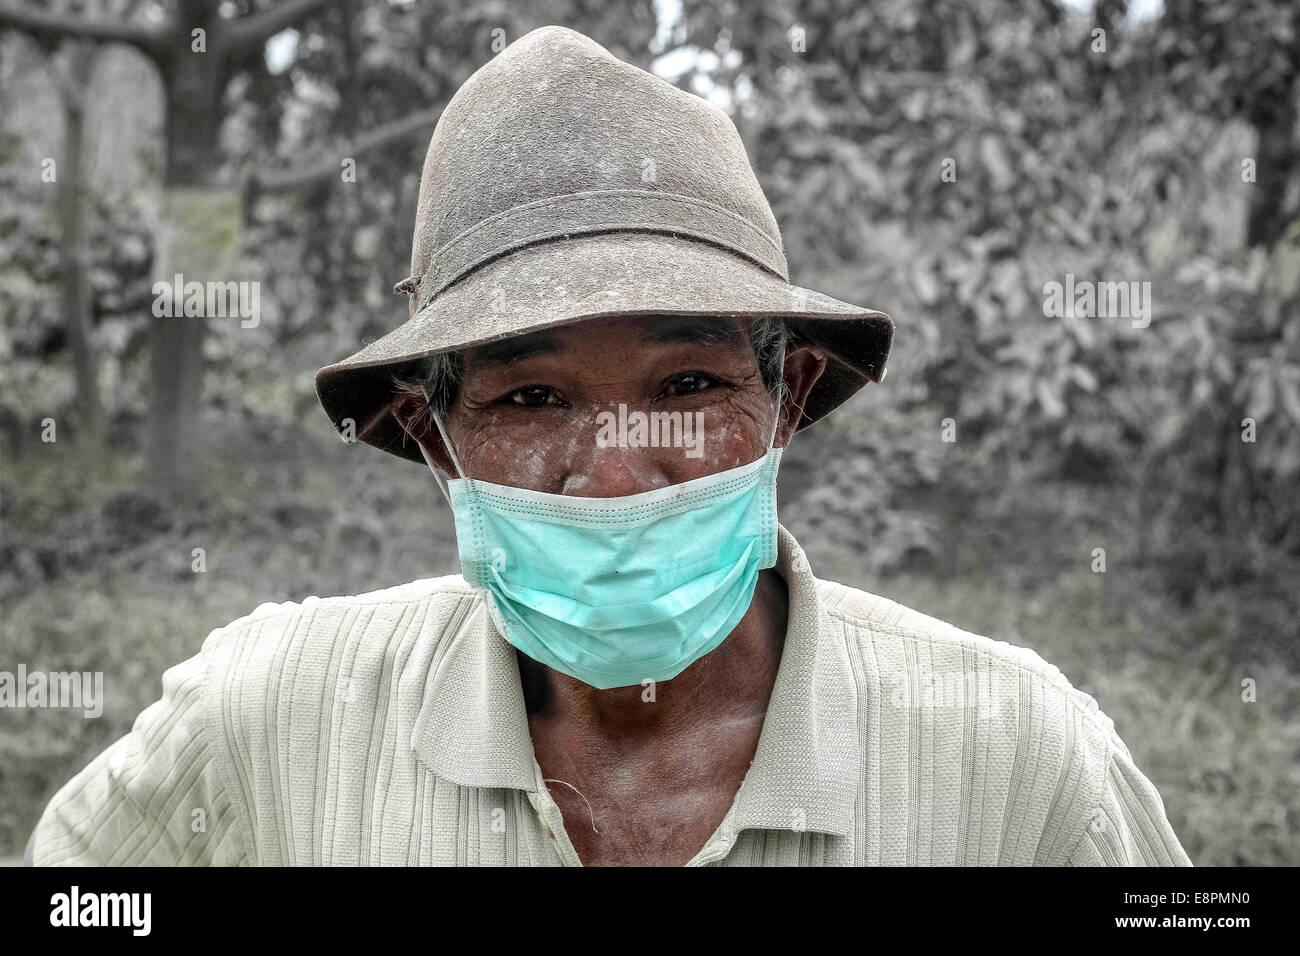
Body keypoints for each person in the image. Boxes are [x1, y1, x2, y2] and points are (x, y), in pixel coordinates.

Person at [31, 26, 1190, 867]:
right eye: (532, 398)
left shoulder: (1020, 769)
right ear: (434, 437)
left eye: (688, 384)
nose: (620, 472)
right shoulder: (272, 715)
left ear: (786, 399)